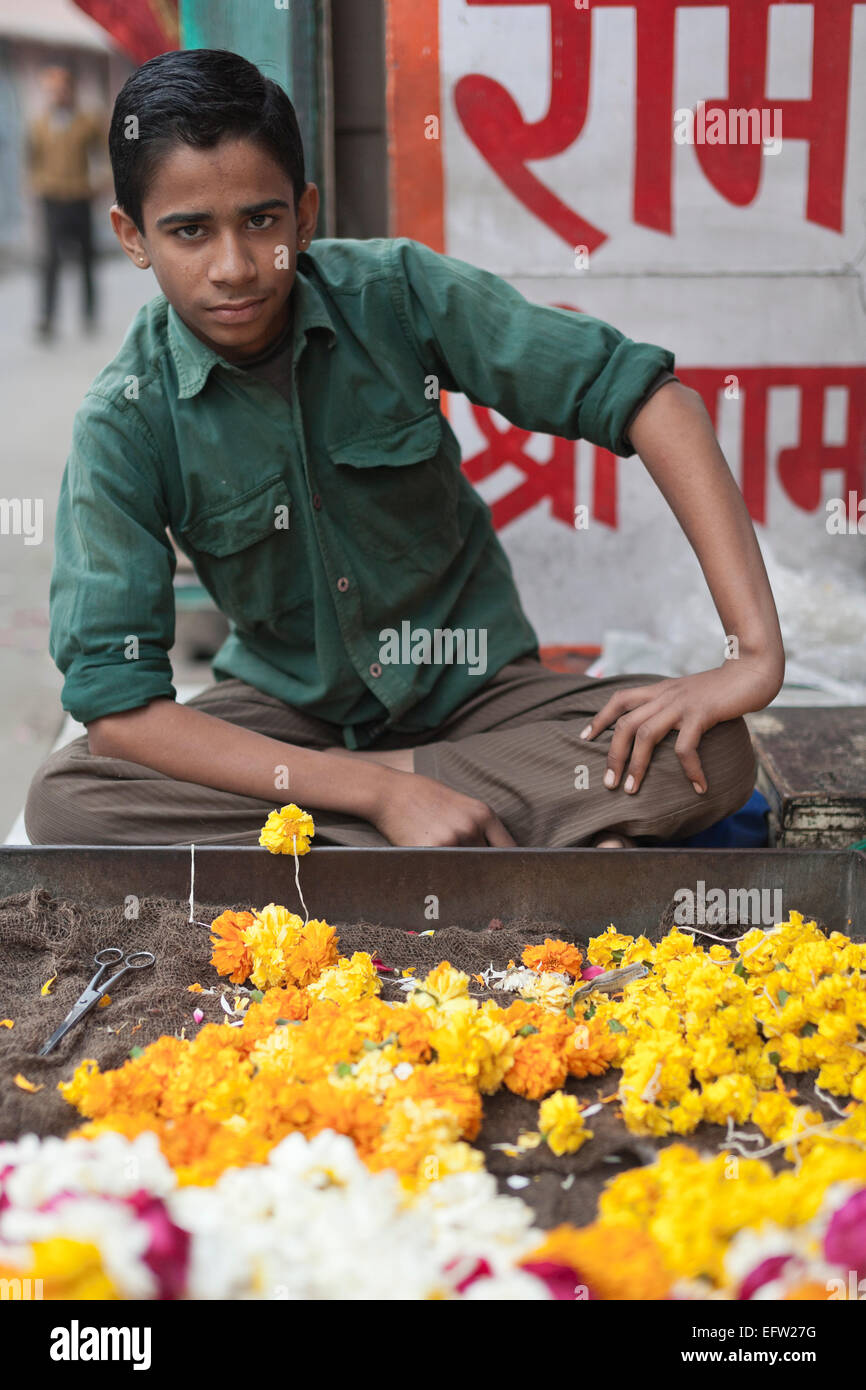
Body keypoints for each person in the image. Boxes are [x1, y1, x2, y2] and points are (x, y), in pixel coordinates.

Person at [25, 49, 784, 849]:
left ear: (305, 214)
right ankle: (451, 819)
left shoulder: (395, 294)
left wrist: (753, 658)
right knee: (71, 803)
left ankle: (357, 842)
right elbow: (117, 710)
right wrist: (377, 790)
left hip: (478, 697)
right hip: (290, 721)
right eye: (188, 232)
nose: (235, 266)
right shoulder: (125, 418)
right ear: (132, 237)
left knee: (713, 753)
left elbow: (653, 401)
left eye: (261, 221)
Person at [26, 65, 105, 340]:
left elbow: (105, 153)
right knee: (50, 260)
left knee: (86, 258)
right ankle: (48, 318)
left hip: (80, 197)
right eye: (52, 90)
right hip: (52, 199)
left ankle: (89, 313)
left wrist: (101, 183)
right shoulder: (40, 124)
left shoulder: (87, 122)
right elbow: (31, 159)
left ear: (71, 91)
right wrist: (36, 185)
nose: (57, 94)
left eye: (61, 88)